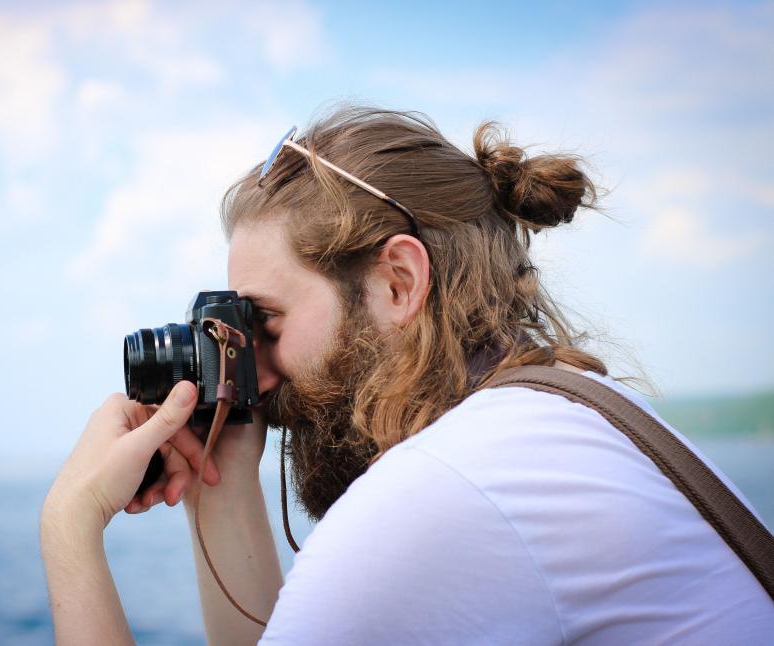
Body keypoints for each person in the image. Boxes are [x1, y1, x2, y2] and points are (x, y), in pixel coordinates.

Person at [40, 106, 774, 644]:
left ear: (398, 282)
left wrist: (69, 527)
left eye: (266, 323)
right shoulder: (554, 419)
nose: (255, 376)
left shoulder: (451, 485)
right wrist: (225, 485)